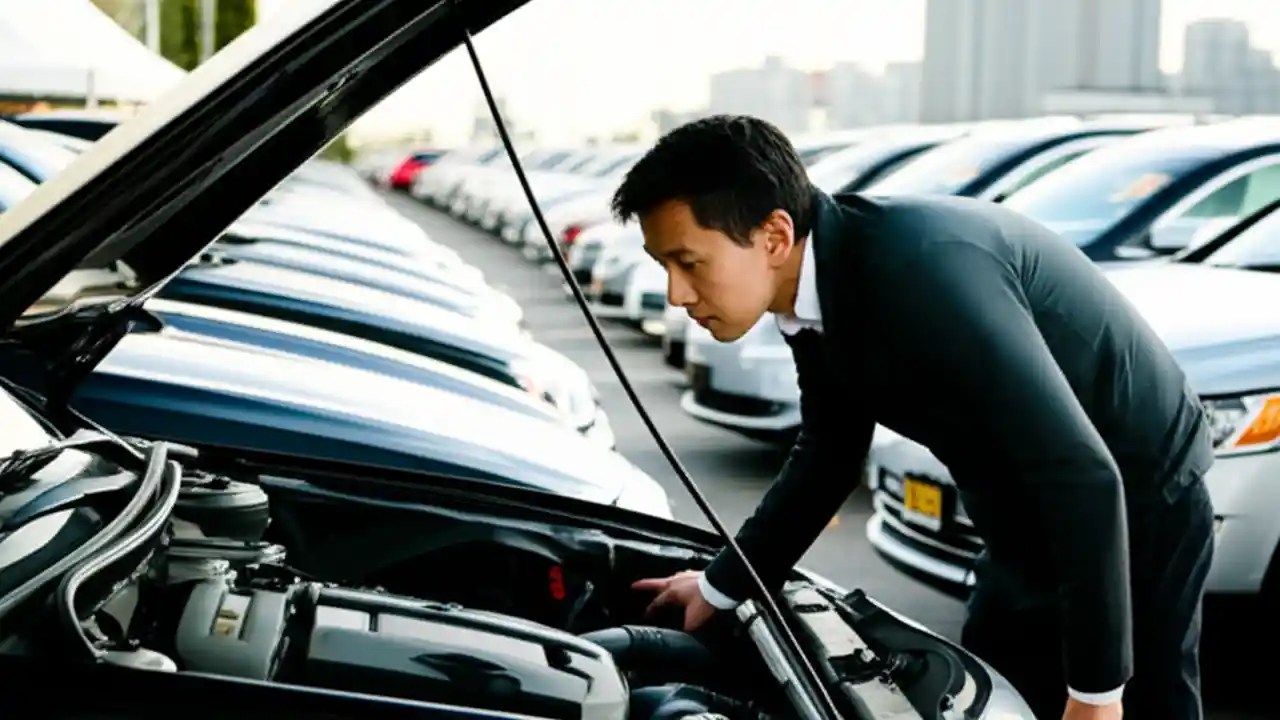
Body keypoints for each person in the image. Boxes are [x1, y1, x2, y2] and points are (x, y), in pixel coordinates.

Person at [616, 115, 1216, 720]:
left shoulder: (918, 272)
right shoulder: (813, 290)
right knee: (996, 690)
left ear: (773, 236)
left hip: (1139, 489)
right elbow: (829, 454)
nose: (677, 294)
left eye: (689, 262)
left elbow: (1084, 477)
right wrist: (723, 586)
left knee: (1145, 699)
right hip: (1022, 505)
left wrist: (1096, 695)